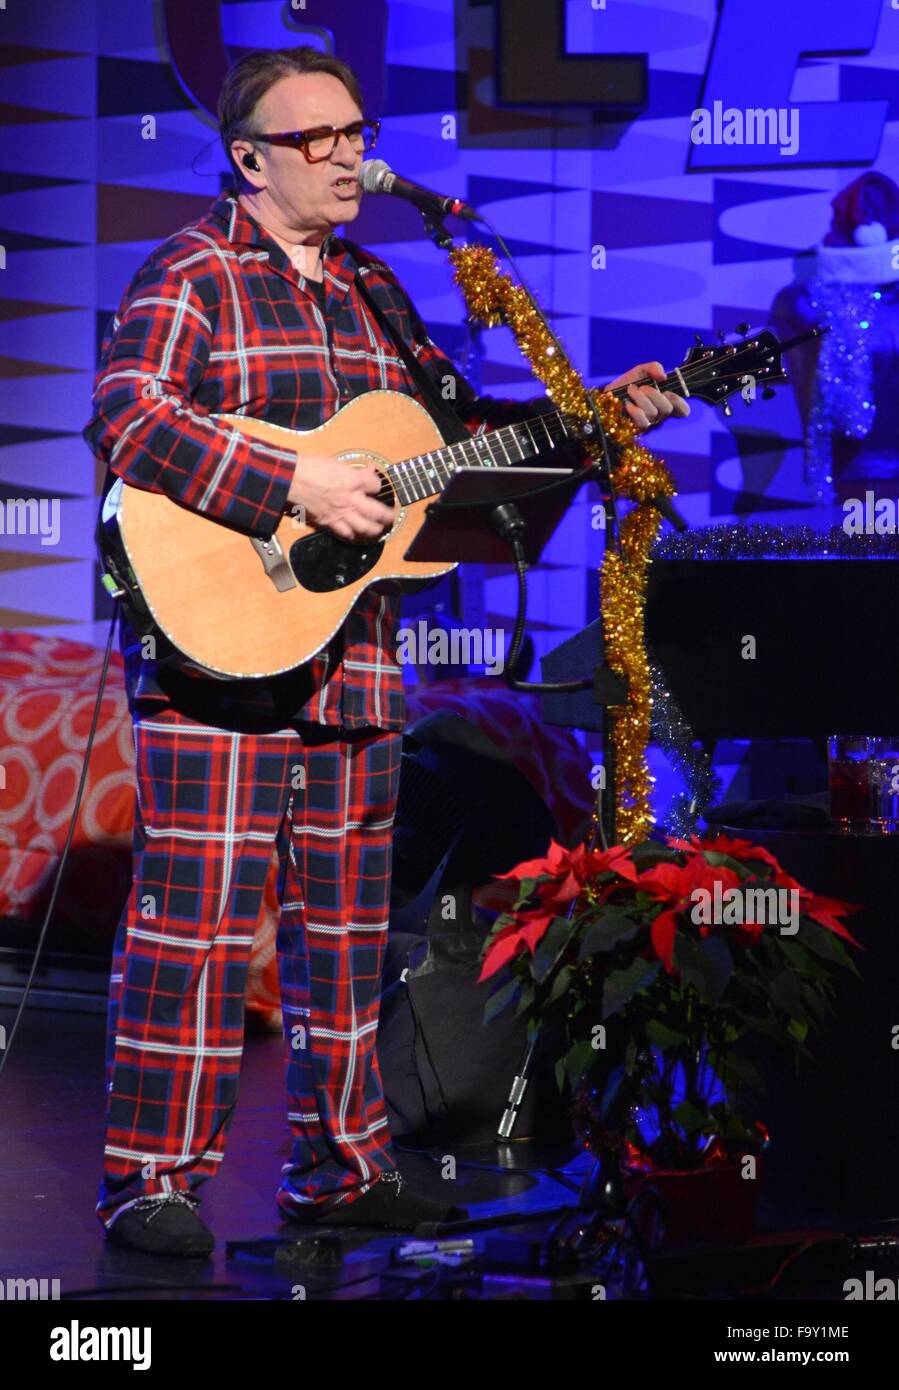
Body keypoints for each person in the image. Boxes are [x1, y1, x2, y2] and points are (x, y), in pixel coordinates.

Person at [83, 44, 689, 1258]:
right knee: (192, 927)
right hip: (216, 662)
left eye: (355, 131)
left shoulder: (375, 290)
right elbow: (127, 414)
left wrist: (593, 418)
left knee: (349, 937)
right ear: (249, 159)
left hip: (352, 664)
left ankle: (343, 1167)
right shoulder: (195, 271)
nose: (350, 153)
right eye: (318, 138)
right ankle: (153, 1179)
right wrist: (288, 476)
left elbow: (452, 444)